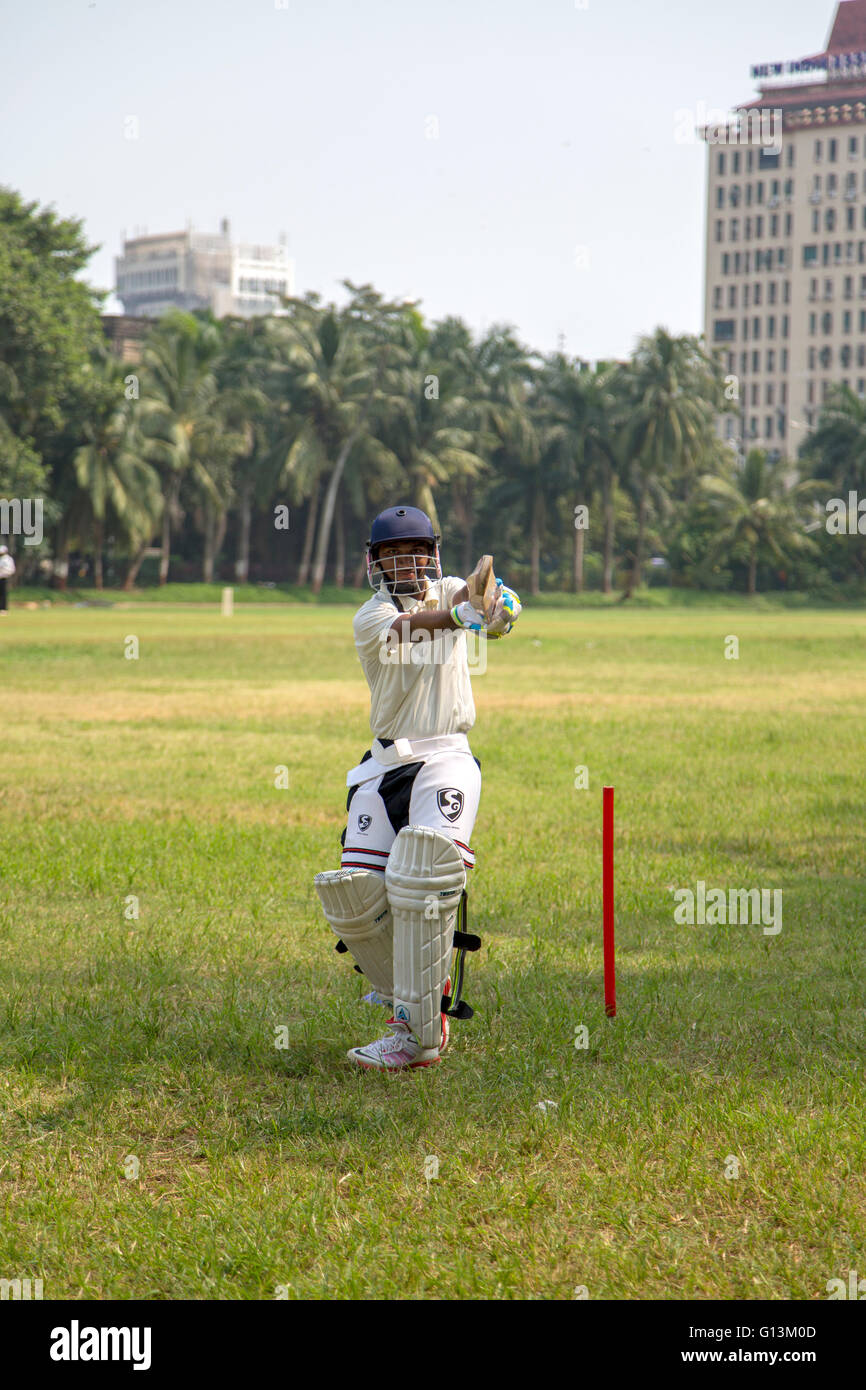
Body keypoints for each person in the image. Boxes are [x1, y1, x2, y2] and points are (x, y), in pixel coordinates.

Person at [314, 504, 521, 1070]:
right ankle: (412, 996)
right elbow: (416, 629)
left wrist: (498, 606)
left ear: (432, 553)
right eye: (391, 553)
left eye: (414, 550)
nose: (405, 561)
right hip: (383, 765)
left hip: (446, 756)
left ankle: (417, 1035)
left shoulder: (453, 588)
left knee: (423, 875)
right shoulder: (372, 616)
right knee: (351, 896)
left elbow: (497, 609)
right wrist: (461, 616)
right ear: (375, 562)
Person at [0, 545, 15, 616]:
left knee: (3, 594)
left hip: (3, 578)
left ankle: (3, 609)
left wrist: (4, 572)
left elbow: (11, 569)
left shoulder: (8, 559)